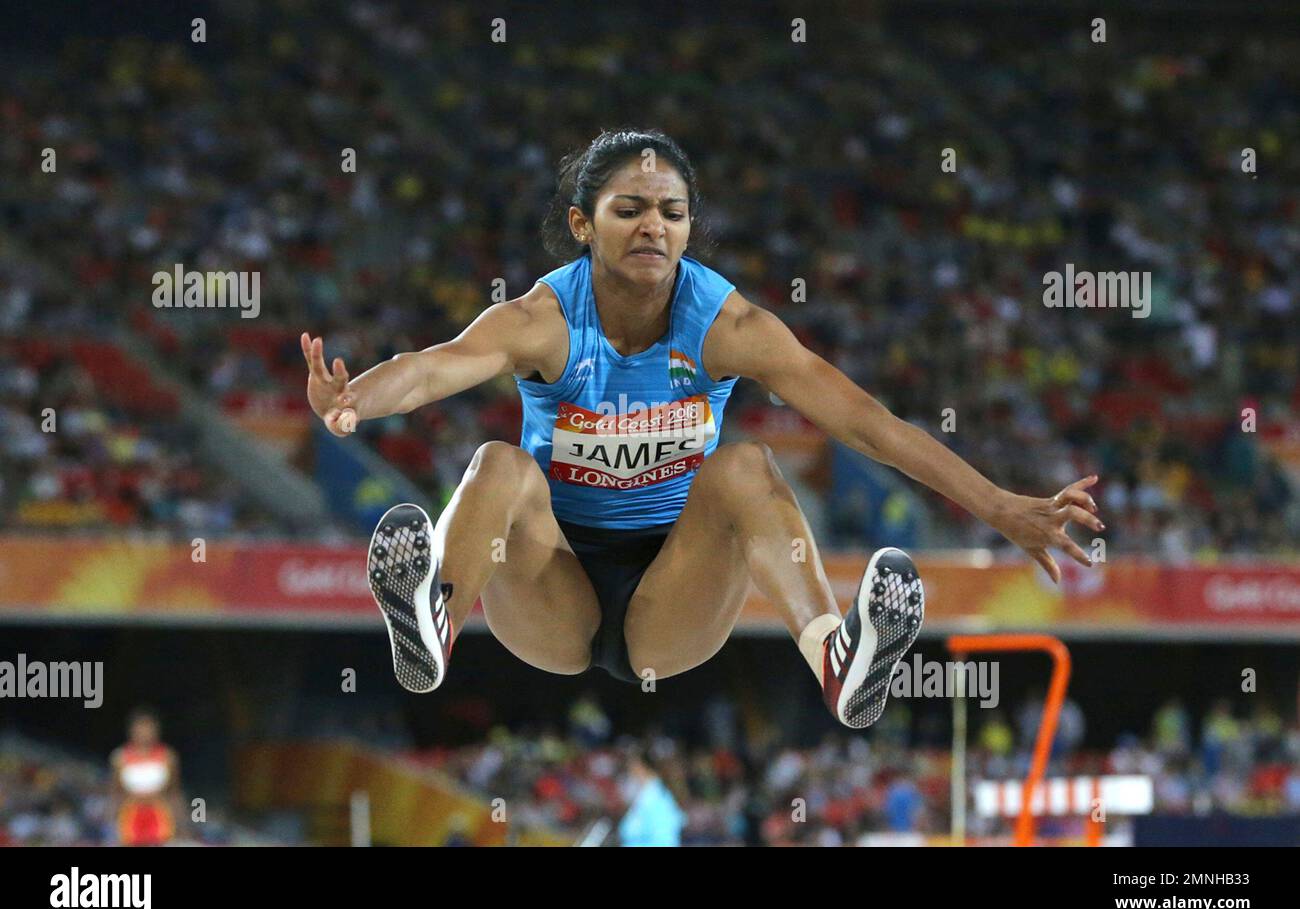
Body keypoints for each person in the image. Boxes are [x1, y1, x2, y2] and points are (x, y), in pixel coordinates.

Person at [301, 128, 1102, 728]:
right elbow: (438, 365)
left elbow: (864, 420)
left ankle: (839, 656)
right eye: (631, 209)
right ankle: (431, 623)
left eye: (671, 212)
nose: (653, 225)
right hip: (552, 581)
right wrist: (354, 400)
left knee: (746, 466)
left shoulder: (726, 323)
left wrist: (998, 506)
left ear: (688, 229)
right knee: (497, 465)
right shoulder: (543, 318)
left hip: (672, 599)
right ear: (583, 225)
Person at [109, 709, 181, 846]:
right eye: (140, 728)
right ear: (131, 730)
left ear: (156, 730)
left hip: (159, 813)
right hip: (131, 814)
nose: (144, 733)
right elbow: (115, 793)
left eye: (149, 728)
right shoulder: (120, 758)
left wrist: (181, 823)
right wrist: (111, 822)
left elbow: (175, 793)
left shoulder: (168, 756)